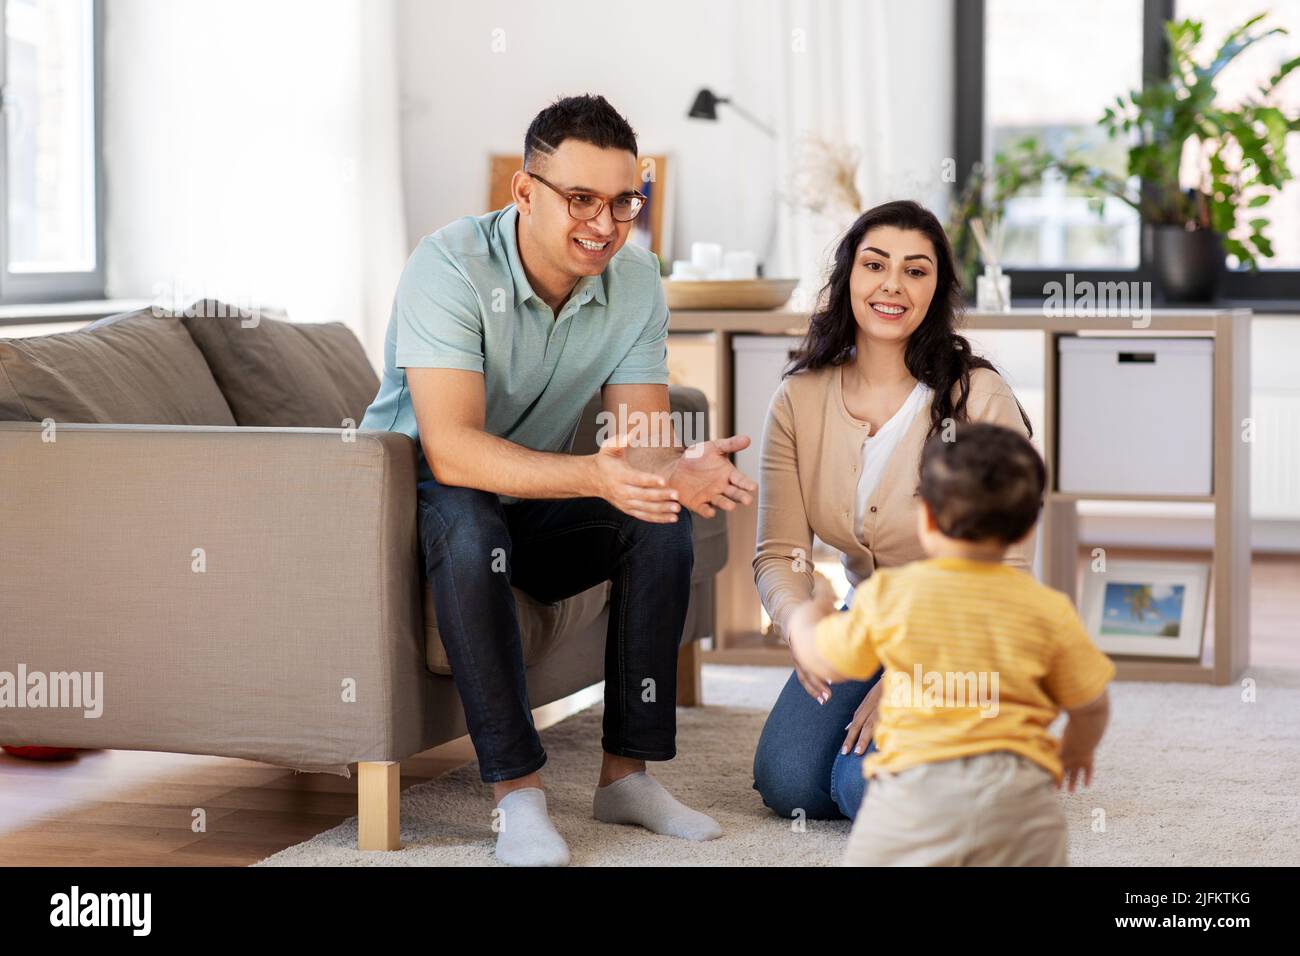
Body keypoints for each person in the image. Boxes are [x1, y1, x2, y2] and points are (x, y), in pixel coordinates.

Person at [360, 94, 757, 866]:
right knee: (471, 521)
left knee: (657, 515)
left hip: (529, 504)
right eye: (580, 199)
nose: (603, 224)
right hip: (423, 502)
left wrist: (673, 470)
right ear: (524, 192)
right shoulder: (448, 266)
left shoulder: (636, 280)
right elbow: (452, 453)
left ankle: (627, 777)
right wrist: (594, 476)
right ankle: (519, 795)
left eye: (622, 202)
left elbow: (637, 446)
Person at [750, 199, 1037, 821]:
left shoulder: (978, 397)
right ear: (848, 276)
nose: (892, 286)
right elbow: (780, 553)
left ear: (937, 289)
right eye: (875, 265)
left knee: (865, 789)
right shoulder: (799, 398)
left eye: (916, 271)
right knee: (790, 785)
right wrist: (802, 625)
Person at [788, 422, 1115, 866]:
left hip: (913, 797)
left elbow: (824, 661)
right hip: (1019, 803)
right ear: (1025, 528)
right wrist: (1078, 747)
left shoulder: (892, 594)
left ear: (926, 517)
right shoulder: (1049, 610)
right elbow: (1091, 703)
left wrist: (814, 610)